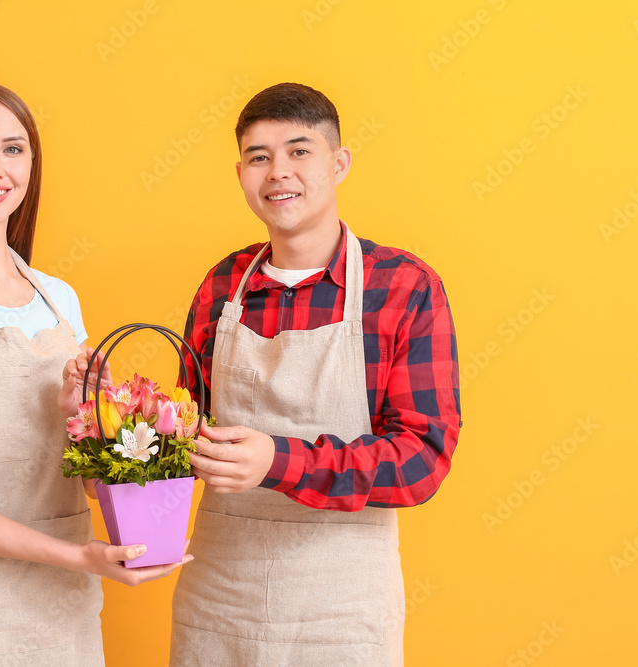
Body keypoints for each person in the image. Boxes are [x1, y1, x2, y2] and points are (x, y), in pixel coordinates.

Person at [0, 81, 188, 667]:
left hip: (62, 617)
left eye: (14, 149)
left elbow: (84, 477)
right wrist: (78, 558)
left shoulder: (59, 300)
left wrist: (90, 418)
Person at [169, 82, 462, 665]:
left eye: (299, 151)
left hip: (341, 608)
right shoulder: (222, 286)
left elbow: (421, 460)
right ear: (241, 173)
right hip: (217, 599)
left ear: (339, 163)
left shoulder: (403, 288)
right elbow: (185, 429)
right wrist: (110, 414)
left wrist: (276, 461)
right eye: (260, 156)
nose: (279, 171)